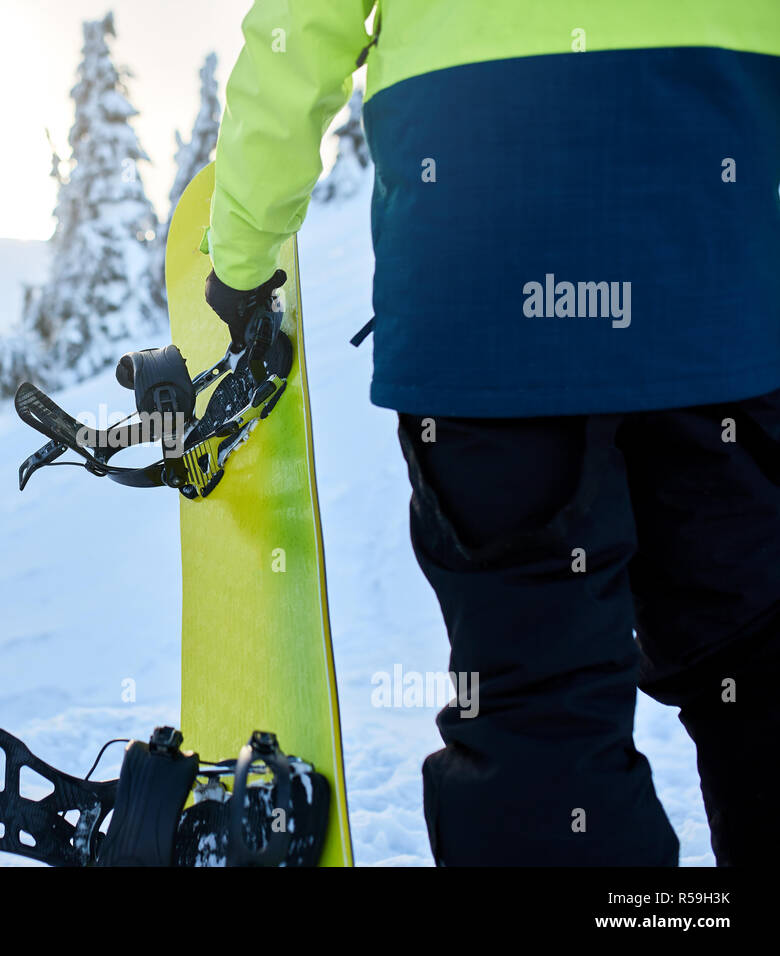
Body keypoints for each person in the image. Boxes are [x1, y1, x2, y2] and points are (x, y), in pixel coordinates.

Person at [203, 0, 780, 865]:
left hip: (487, 302)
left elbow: (299, 26)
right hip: (717, 282)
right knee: (759, 659)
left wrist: (241, 260)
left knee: (538, 692)